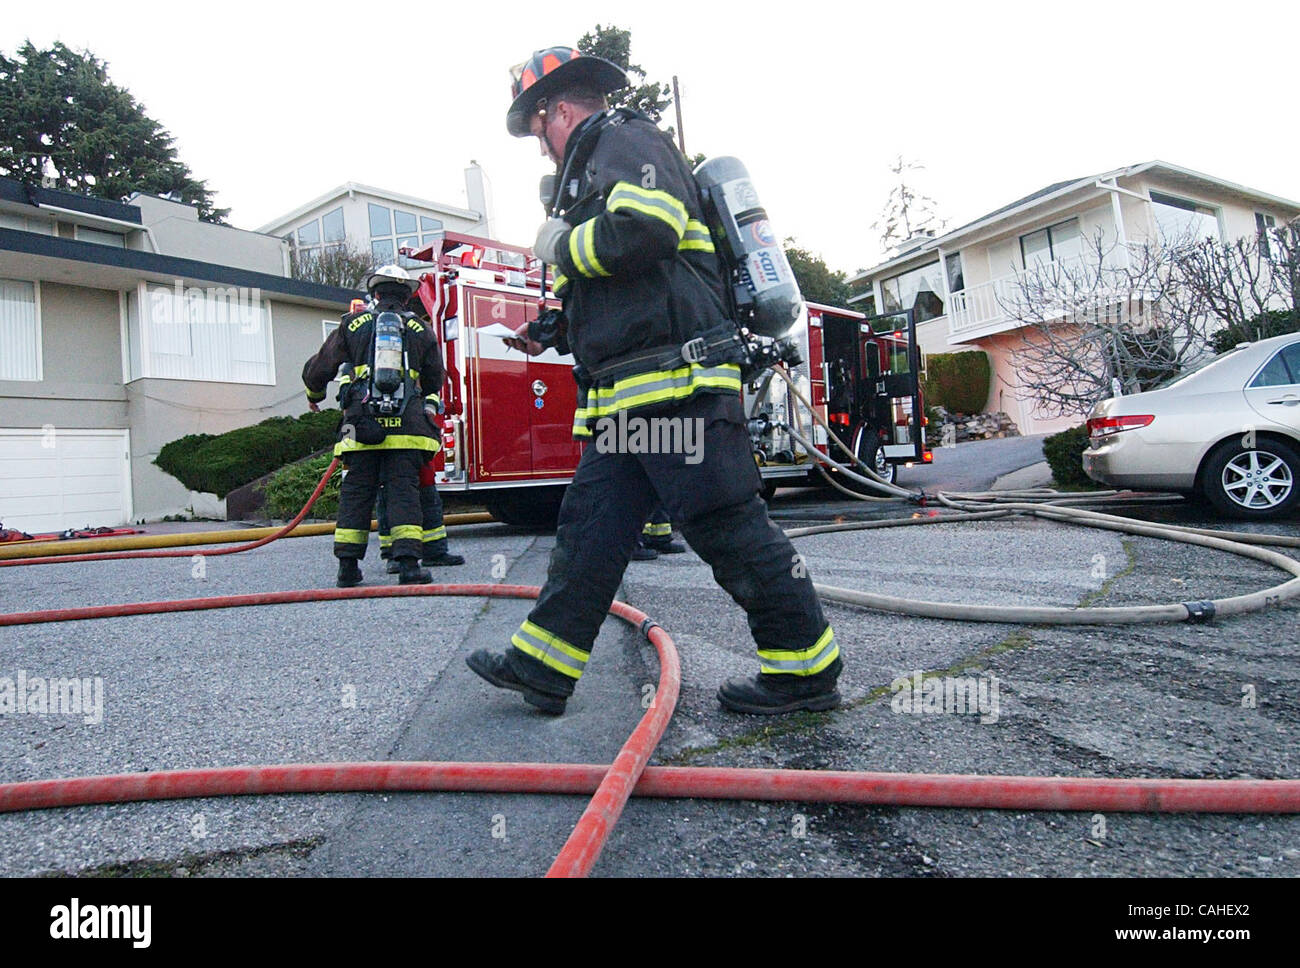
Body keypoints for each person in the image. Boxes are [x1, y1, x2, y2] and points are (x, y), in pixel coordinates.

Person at [465, 46, 841, 716]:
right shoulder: (594, 170)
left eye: (539, 127)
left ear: (559, 110)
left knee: (723, 523)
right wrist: (550, 329)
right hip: (629, 401)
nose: (542, 149)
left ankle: (805, 668)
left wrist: (558, 246)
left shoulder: (622, 139)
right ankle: (544, 666)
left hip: (675, 388)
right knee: (590, 530)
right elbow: (619, 293)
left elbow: (646, 230)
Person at [302, 265, 445, 587]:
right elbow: (436, 378)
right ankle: (408, 566)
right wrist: (428, 405)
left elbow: (319, 368)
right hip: (407, 427)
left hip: (360, 424)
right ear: (407, 297)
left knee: (356, 492)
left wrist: (315, 395)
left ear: (376, 294)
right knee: (403, 492)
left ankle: (348, 569)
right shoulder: (421, 329)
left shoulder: (352, 323)